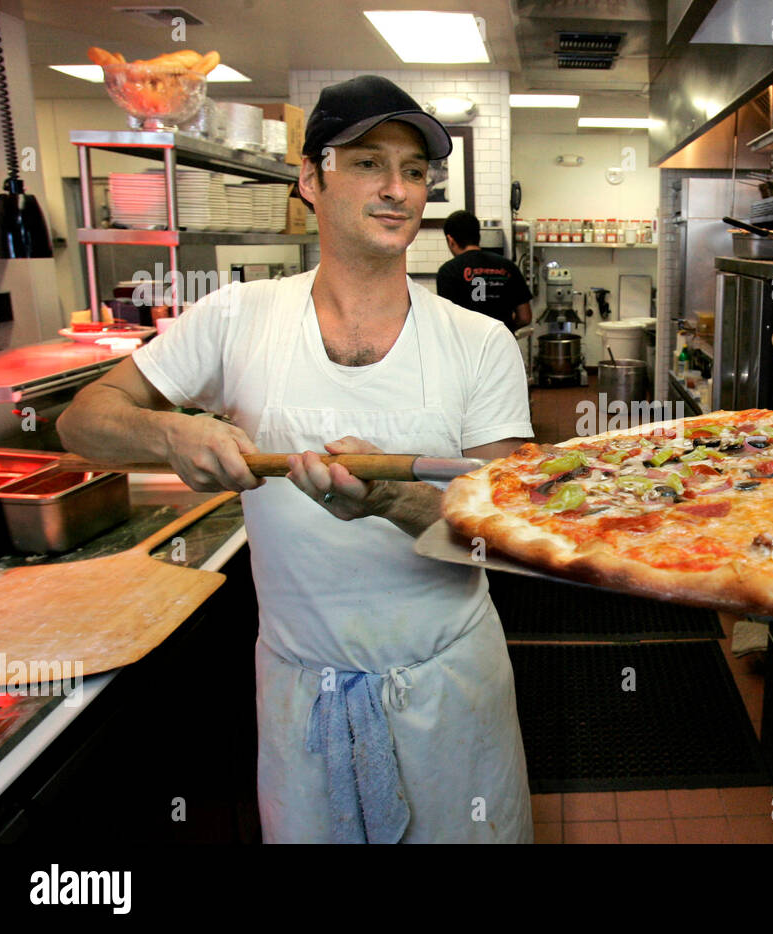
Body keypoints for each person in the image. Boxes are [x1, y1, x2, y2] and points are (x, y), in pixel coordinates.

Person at [56, 75, 535, 844]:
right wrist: (172, 435)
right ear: (310, 179)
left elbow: (507, 529)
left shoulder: (477, 342)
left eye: (414, 171)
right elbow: (82, 420)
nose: (397, 189)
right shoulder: (236, 319)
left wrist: (386, 497)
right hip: (301, 694)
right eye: (369, 163)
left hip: (450, 687)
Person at [437, 210, 533, 332]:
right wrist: (506, 330)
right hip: (501, 345)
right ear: (478, 235)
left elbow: (447, 321)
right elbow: (525, 317)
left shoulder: (448, 271)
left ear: (450, 240)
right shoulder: (508, 267)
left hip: (467, 347)